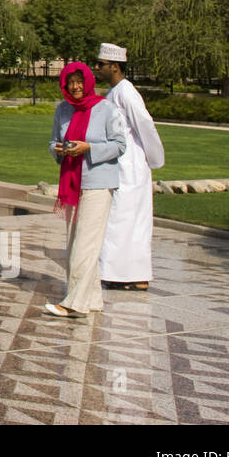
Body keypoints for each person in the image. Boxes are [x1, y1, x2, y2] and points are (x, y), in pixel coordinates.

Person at [45, 61, 127, 318]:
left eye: (79, 82)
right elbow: (53, 139)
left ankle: (74, 303)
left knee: (85, 244)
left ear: (88, 82)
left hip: (98, 183)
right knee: (74, 242)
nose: (75, 87)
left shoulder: (106, 108)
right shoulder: (63, 110)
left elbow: (119, 145)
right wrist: (56, 149)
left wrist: (89, 149)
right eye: (70, 82)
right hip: (71, 180)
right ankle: (91, 299)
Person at [96, 43, 165, 291]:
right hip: (119, 165)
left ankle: (129, 274)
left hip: (132, 166)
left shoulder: (127, 92)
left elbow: (144, 124)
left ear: (115, 67)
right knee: (121, 219)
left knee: (126, 220)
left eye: (101, 65)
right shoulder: (113, 93)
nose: (97, 69)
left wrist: (154, 159)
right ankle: (120, 273)